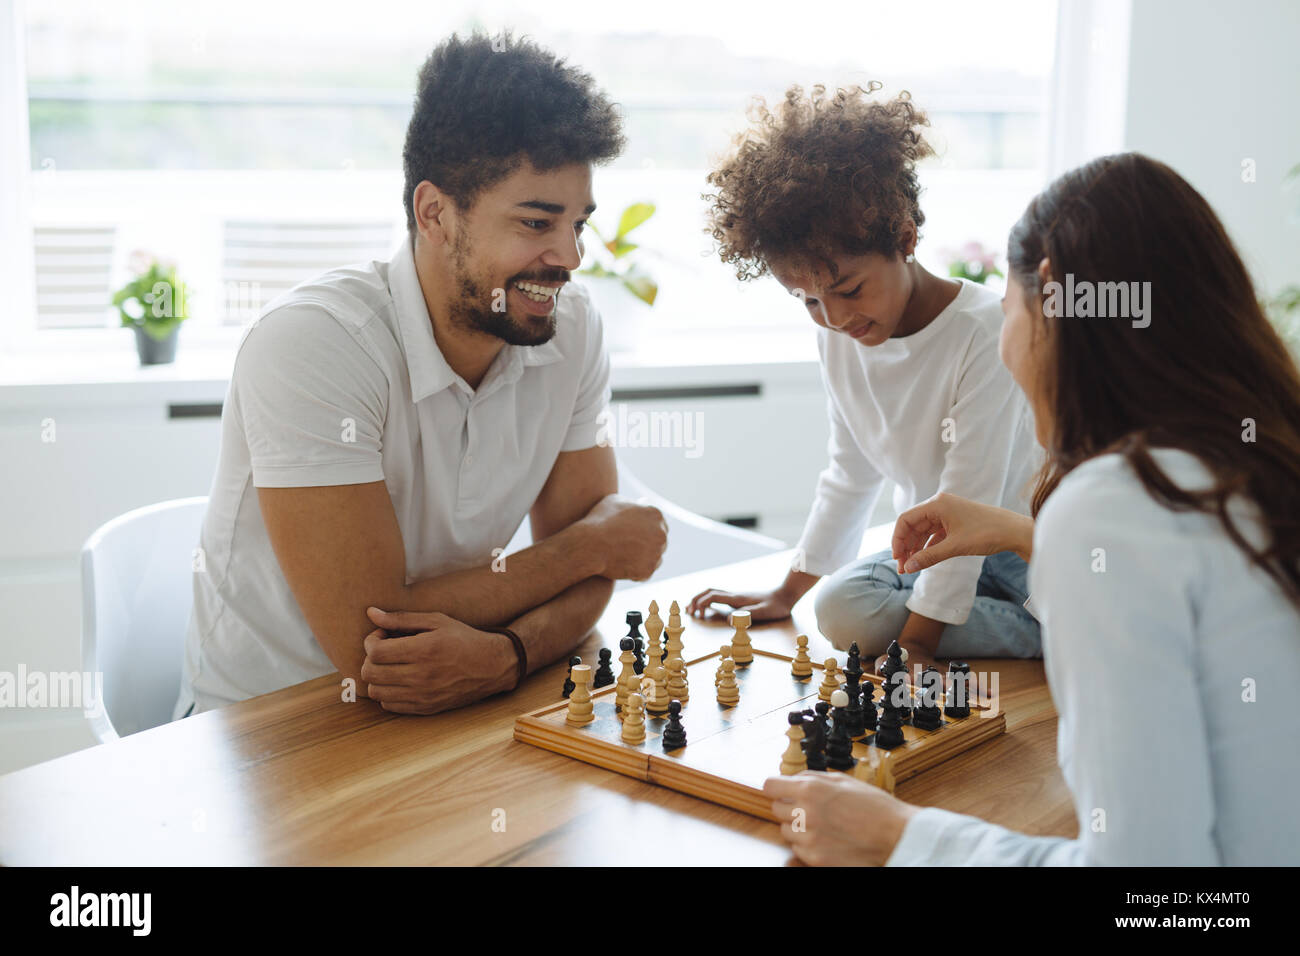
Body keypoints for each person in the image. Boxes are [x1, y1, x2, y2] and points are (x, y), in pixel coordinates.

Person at [764, 152, 1300, 865]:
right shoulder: (1255, 460)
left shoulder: (1110, 507)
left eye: (1010, 308)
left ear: (1049, 300)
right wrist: (1028, 535)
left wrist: (902, 838)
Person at [173, 32, 667, 718]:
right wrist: (589, 546)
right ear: (434, 213)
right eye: (536, 222)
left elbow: (591, 583)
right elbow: (371, 637)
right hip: (272, 730)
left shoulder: (571, 327)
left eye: (579, 223)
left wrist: (510, 656)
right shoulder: (314, 343)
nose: (571, 256)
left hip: (466, 697)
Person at [687, 83, 1041, 676]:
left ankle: (1039, 627)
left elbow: (968, 499)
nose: (835, 318)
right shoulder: (838, 337)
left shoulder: (982, 332)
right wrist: (785, 594)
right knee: (841, 607)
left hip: (1014, 550)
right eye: (807, 301)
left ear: (904, 239)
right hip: (931, 555)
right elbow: (849, 475)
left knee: (872, 618)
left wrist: (919, 645)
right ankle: (982, 617)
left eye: (849, 290)